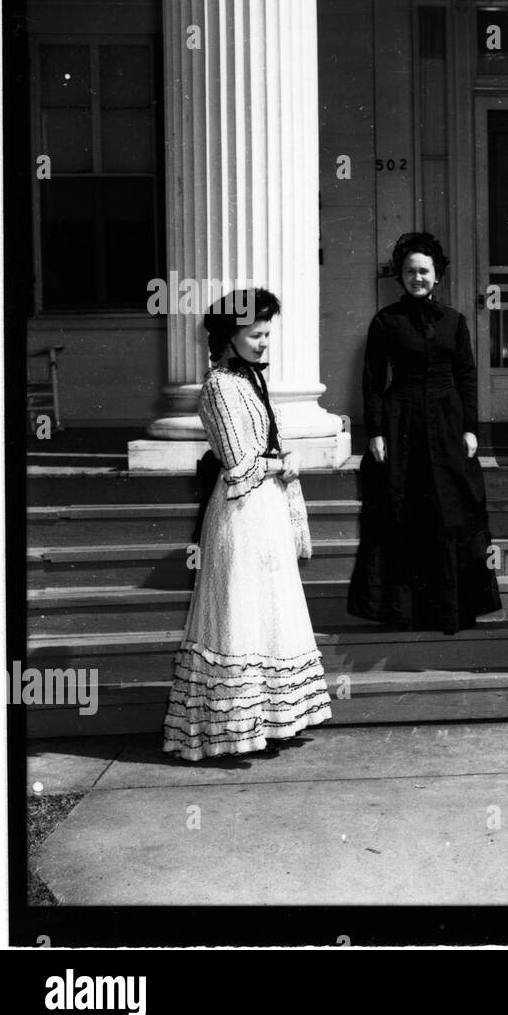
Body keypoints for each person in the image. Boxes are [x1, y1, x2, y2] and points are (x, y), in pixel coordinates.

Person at [162, 289, 332, 761]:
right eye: (256, 335)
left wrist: (279, 463)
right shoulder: (220, 385)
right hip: (239, 513)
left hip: (266, 512)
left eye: (266, 335)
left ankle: (270, 721)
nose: (263, 344)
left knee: (269, 610)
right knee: (239, 611)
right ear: (230, 336)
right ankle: (234, 730)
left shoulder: (249, 381)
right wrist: (284, 463)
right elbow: (240, 464)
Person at [347, 231, 502, 632]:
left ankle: (449, 609)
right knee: (404, 510)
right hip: (401, 425)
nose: (418, 277)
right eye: (410, 271)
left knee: (450, 507)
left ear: (438, 276)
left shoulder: (455, 322)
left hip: (447, 424)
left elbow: (466, 377)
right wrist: (376, 433)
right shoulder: (386, 322)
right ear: (400, 276)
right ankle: (403, 611)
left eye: (424, 271)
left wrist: (471, 430)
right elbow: (372, 380)